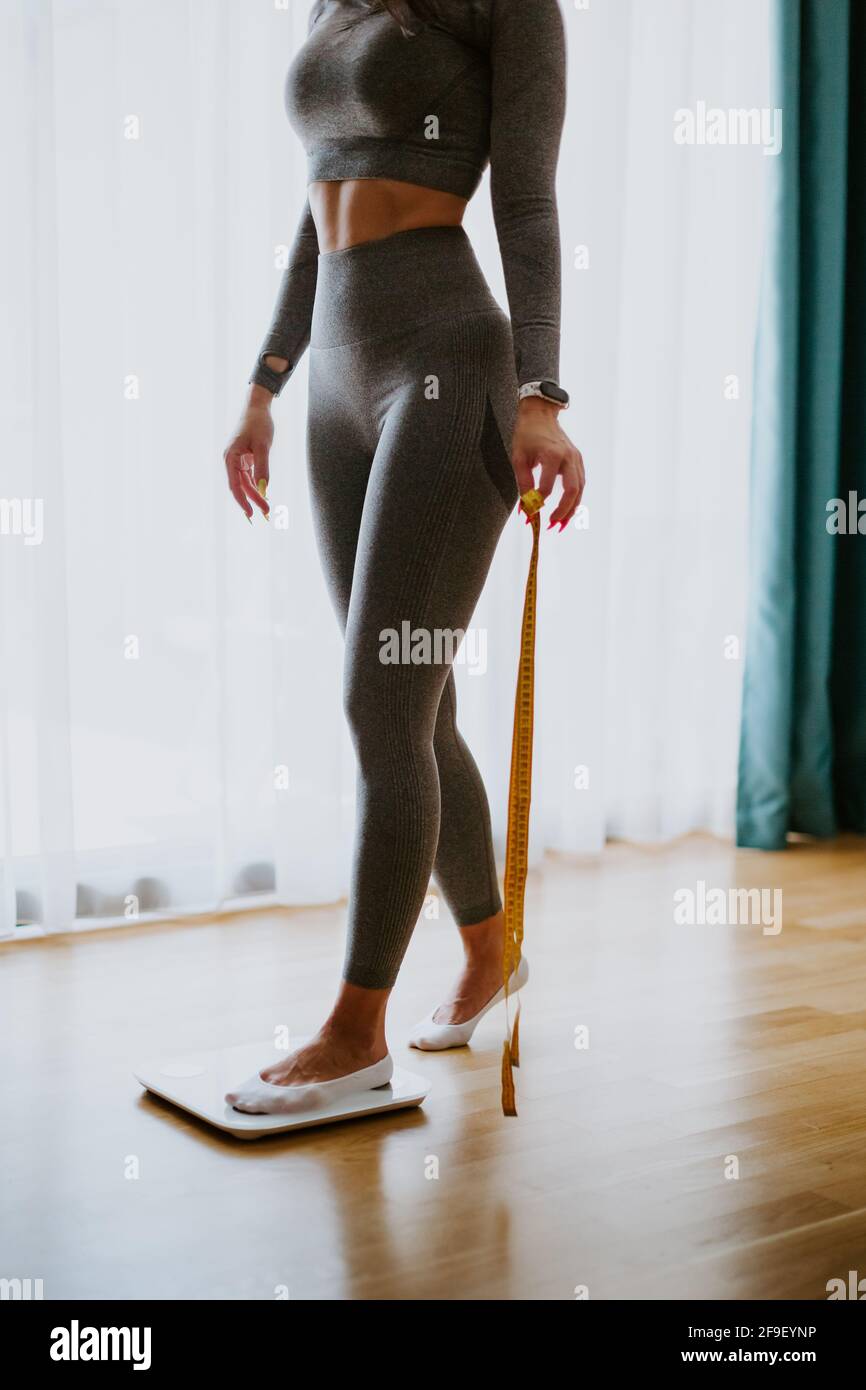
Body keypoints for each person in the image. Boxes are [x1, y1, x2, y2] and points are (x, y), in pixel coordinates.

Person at [222, 0, 584, 1114]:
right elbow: (314, 206)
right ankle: (488, 952)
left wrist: (540, 395)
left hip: (448, 358)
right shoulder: (333, 4)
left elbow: (523, 199)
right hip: (337, 372)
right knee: (415, 708)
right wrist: (263, 388)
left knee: (379, 703)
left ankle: (352, 1032)